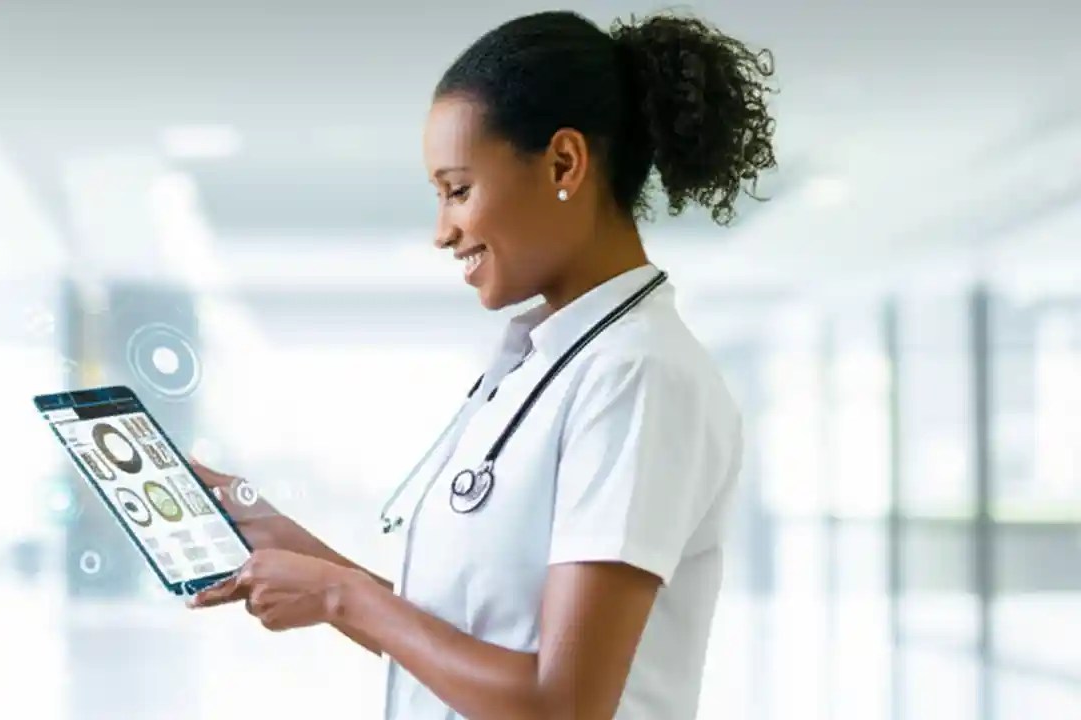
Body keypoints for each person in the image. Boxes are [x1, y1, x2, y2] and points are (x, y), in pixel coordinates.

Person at [187, 8, 776, 719]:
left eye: (458, 190)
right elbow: (469, 645)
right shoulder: (546, 364)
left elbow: (563, 704)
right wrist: (286, 541)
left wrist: (343, 595)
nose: (443, 232)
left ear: (565, 163)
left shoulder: (639, 375)